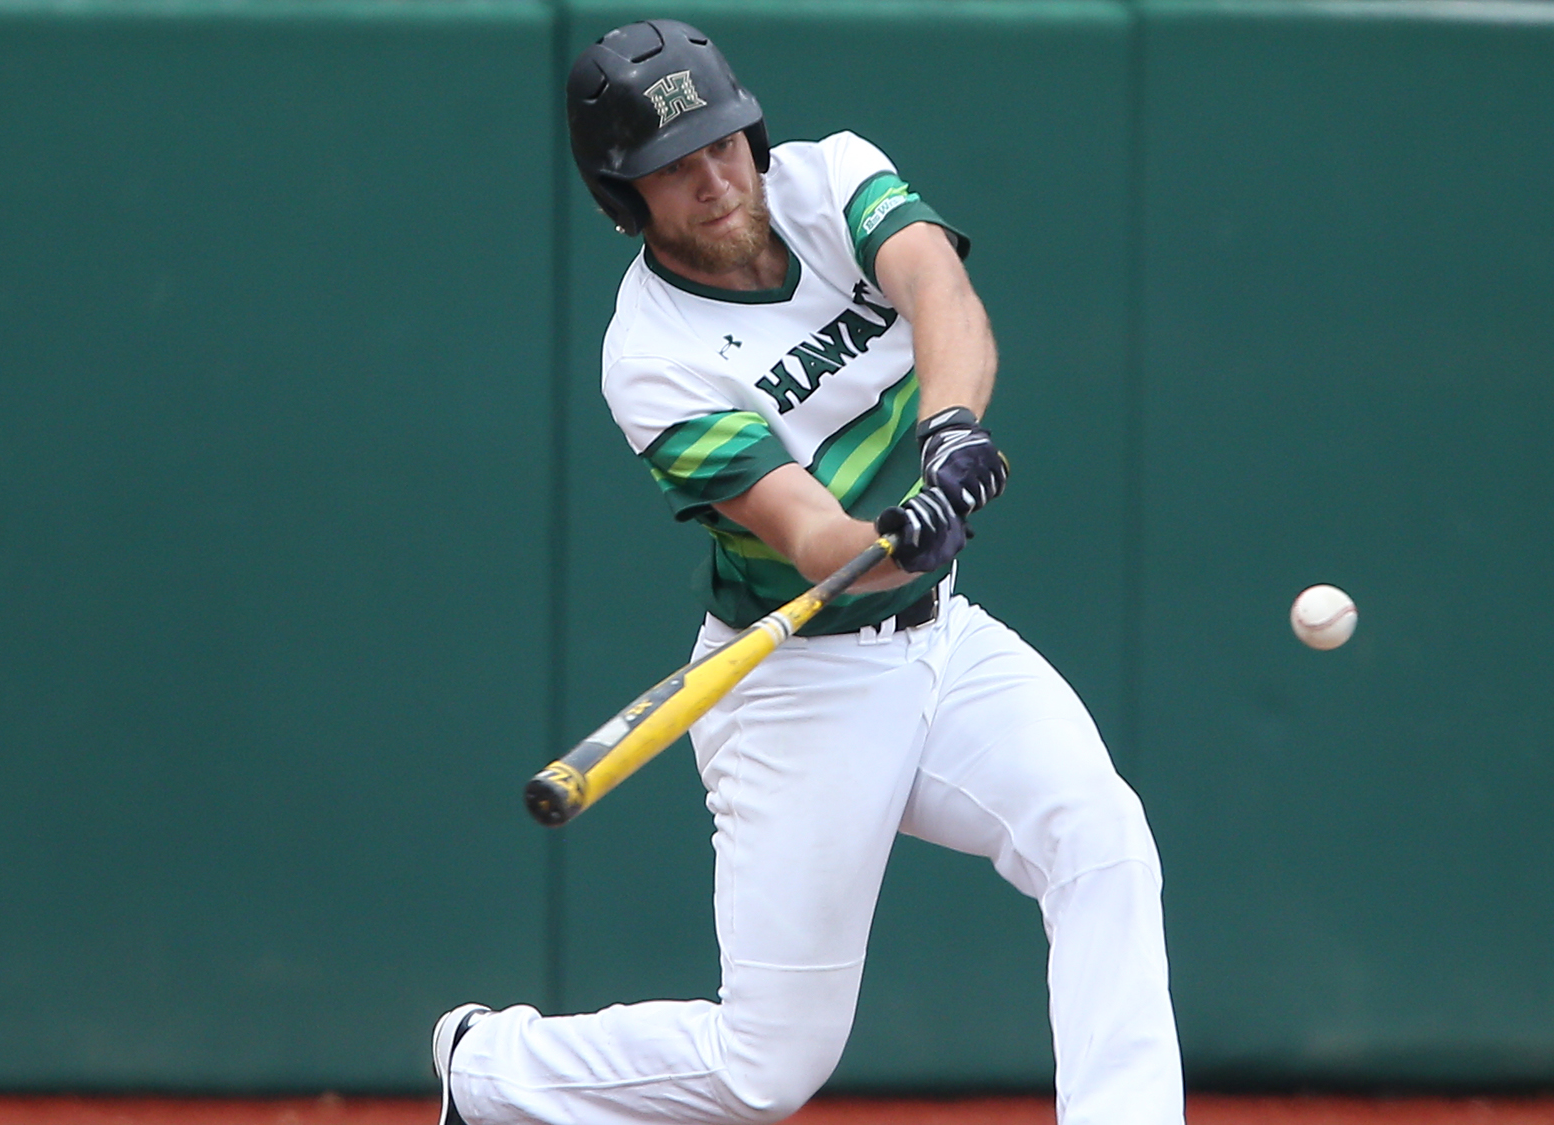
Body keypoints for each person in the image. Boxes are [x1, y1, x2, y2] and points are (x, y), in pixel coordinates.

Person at [432, 19, 1182, 1125]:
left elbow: (941, 297)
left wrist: (952, 433)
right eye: (672, 170)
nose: (714, 180)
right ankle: (489, 1070)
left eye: (724, 145)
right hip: (796, 690)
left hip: (943, 644)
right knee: (766, 1070)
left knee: (1096, 832)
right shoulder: (650, 360)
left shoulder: (829, 178)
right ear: (619, 193)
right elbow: (816, 542)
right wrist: (897, 537)